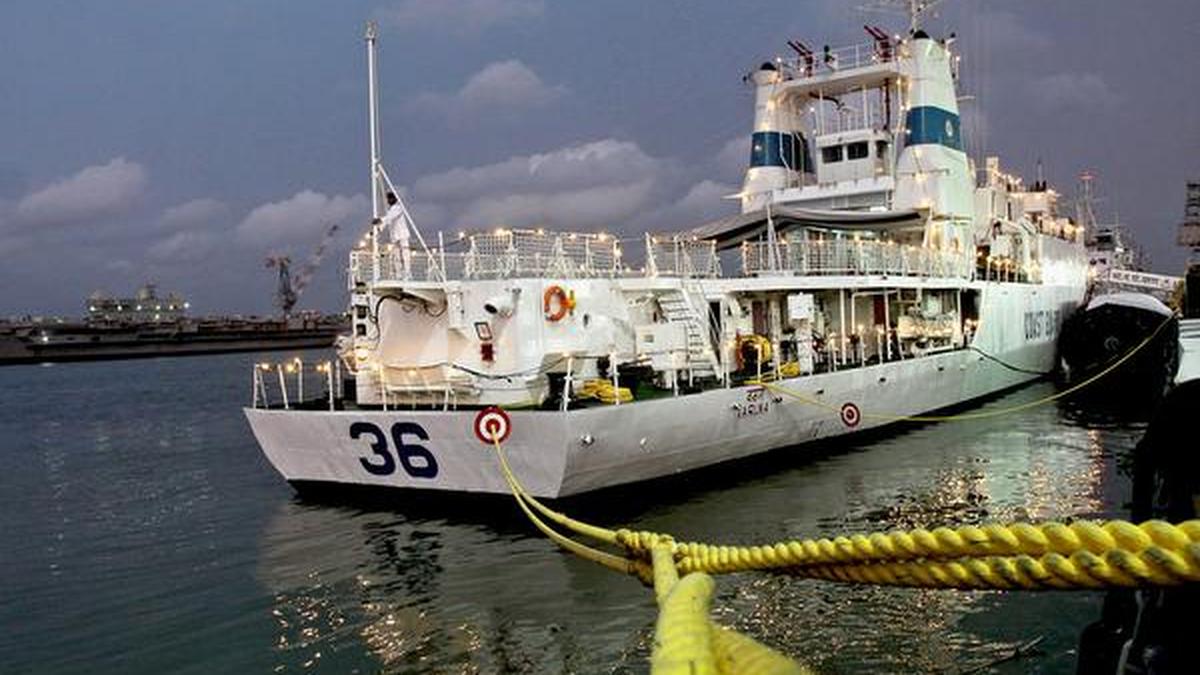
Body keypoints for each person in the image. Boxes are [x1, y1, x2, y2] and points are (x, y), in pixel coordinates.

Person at [382, 191, 412, 278]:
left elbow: (390, 217)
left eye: (391, 198)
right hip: (395, 236)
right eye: (388, 198)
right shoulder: (390, 210)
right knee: (396, 255)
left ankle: (407, 272)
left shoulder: (398, 208)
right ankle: (398, 273)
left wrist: (380, 220)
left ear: (395, 199)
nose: (389, 200)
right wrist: (378, 228)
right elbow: (387, 220)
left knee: (405, 253)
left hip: (402, 234)